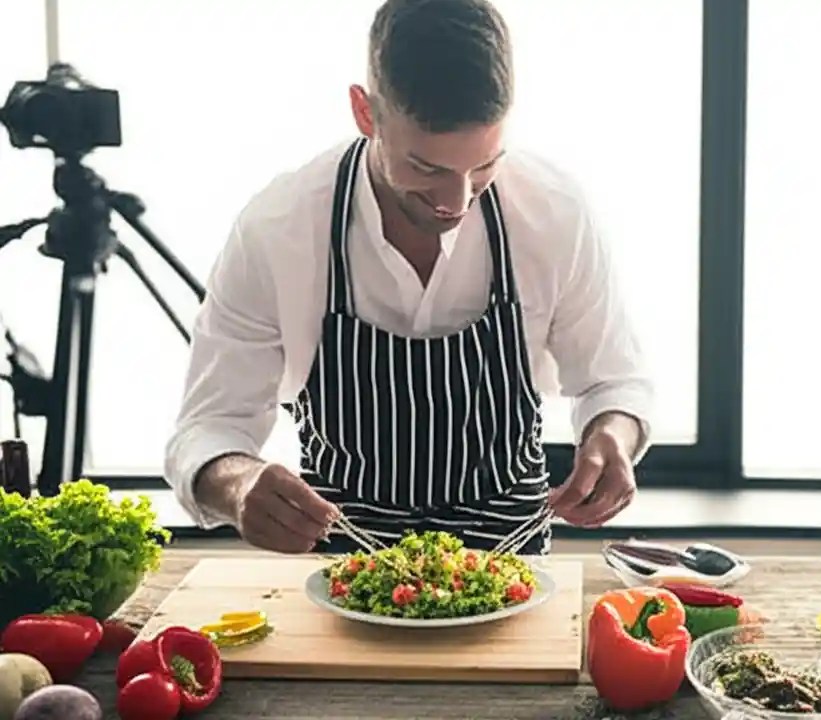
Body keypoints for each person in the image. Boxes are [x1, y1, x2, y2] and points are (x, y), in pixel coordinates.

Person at [163, 0, 653, 556]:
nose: (457, 201)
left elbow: (615, 383)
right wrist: (239, 485)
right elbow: (207, 427)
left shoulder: (555, 212)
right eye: (427, 168)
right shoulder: (278, 229)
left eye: (484, 165)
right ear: (365, 112)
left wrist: (611, 437)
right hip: (341, 565)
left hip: (512, 564)